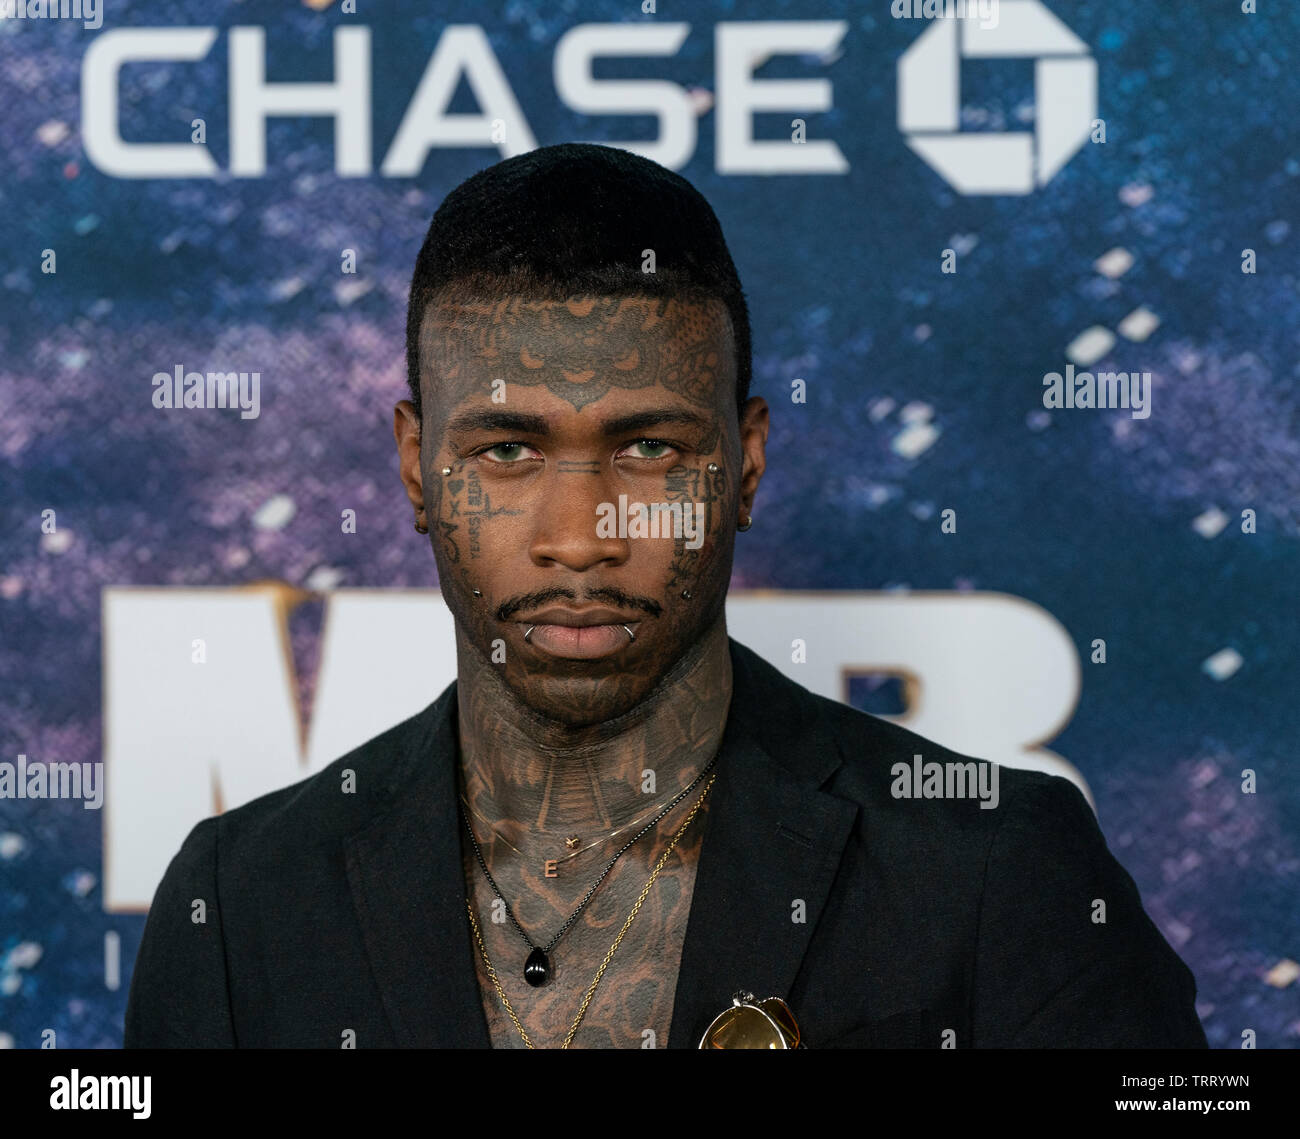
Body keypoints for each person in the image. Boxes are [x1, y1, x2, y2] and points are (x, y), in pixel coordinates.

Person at [124, 143, 1207, 1049]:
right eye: (507, 450)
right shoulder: (247, 902)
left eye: (646, 446)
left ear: (742, 460)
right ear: (416, 468)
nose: (581, 536)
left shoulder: (997, 867)